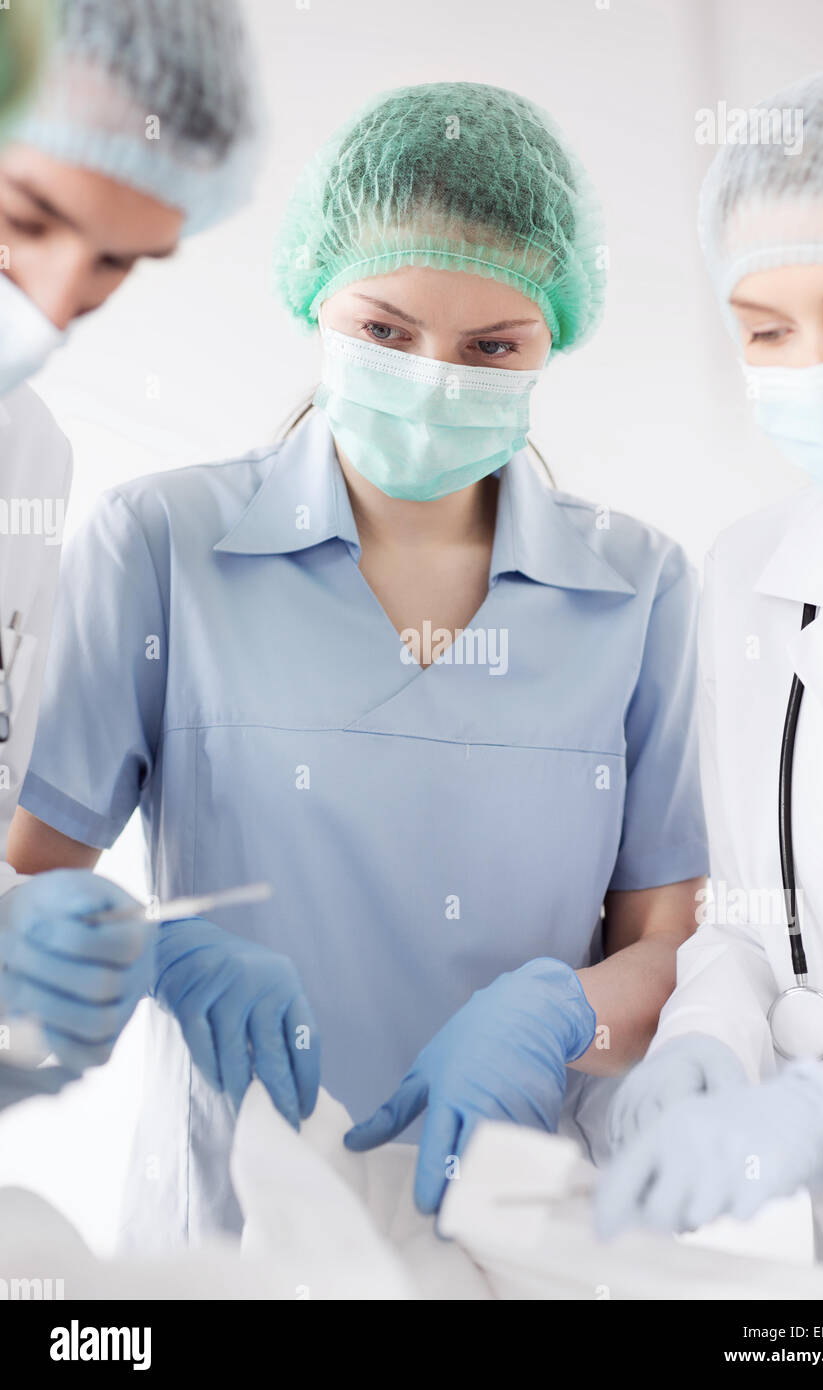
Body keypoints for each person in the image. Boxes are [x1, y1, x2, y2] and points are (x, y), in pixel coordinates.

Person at [8, 81, 708, 1248]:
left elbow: (678, 948)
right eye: (385, 332)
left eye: (491, 346)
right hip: (227, 1239)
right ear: (314, 297)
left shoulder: (639, 587)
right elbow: (27, 892)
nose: (433, 378)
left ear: (557, 336)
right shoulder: (162, 546)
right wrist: (155, 947)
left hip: (529, 1231)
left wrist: (553, 1018)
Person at [599, 67, 823, 1274]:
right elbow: (749, 913)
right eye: (768, 331)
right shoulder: (748, 572)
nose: (815, 368)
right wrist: (707, 1045)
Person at [0, 0, 261, 1106]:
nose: (59, 302)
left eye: (119, 263)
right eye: (27, 217)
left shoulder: (24, 453)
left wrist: (38, 960)